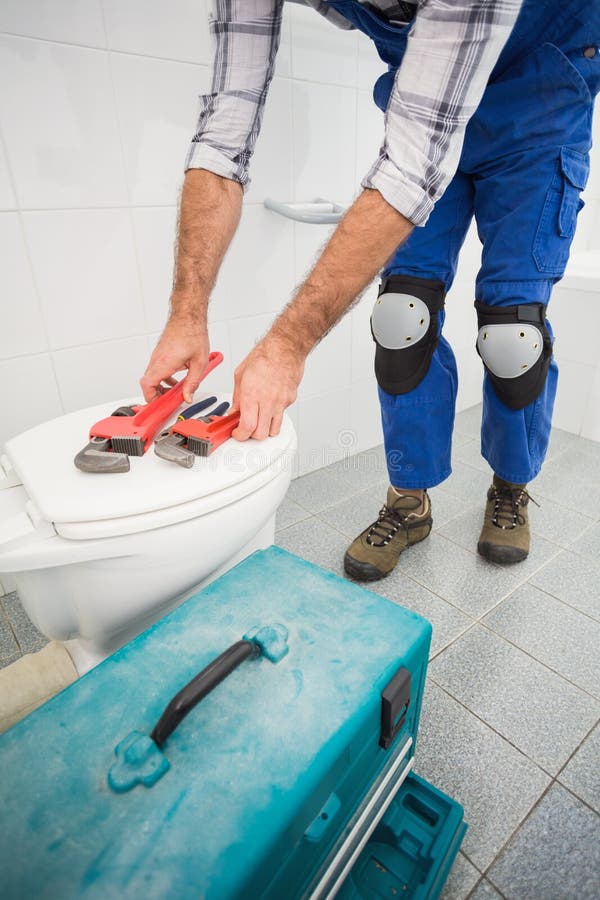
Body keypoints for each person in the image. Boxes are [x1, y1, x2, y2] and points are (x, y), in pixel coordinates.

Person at [140, 0, 599, 580]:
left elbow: (411, 170)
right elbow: (222, 135)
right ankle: (410, 500)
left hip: (541, 115)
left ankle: (510, 486)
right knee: (401, 317)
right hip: (425, 105)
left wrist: (285, 347)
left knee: (514, 335)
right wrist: (187, 312)